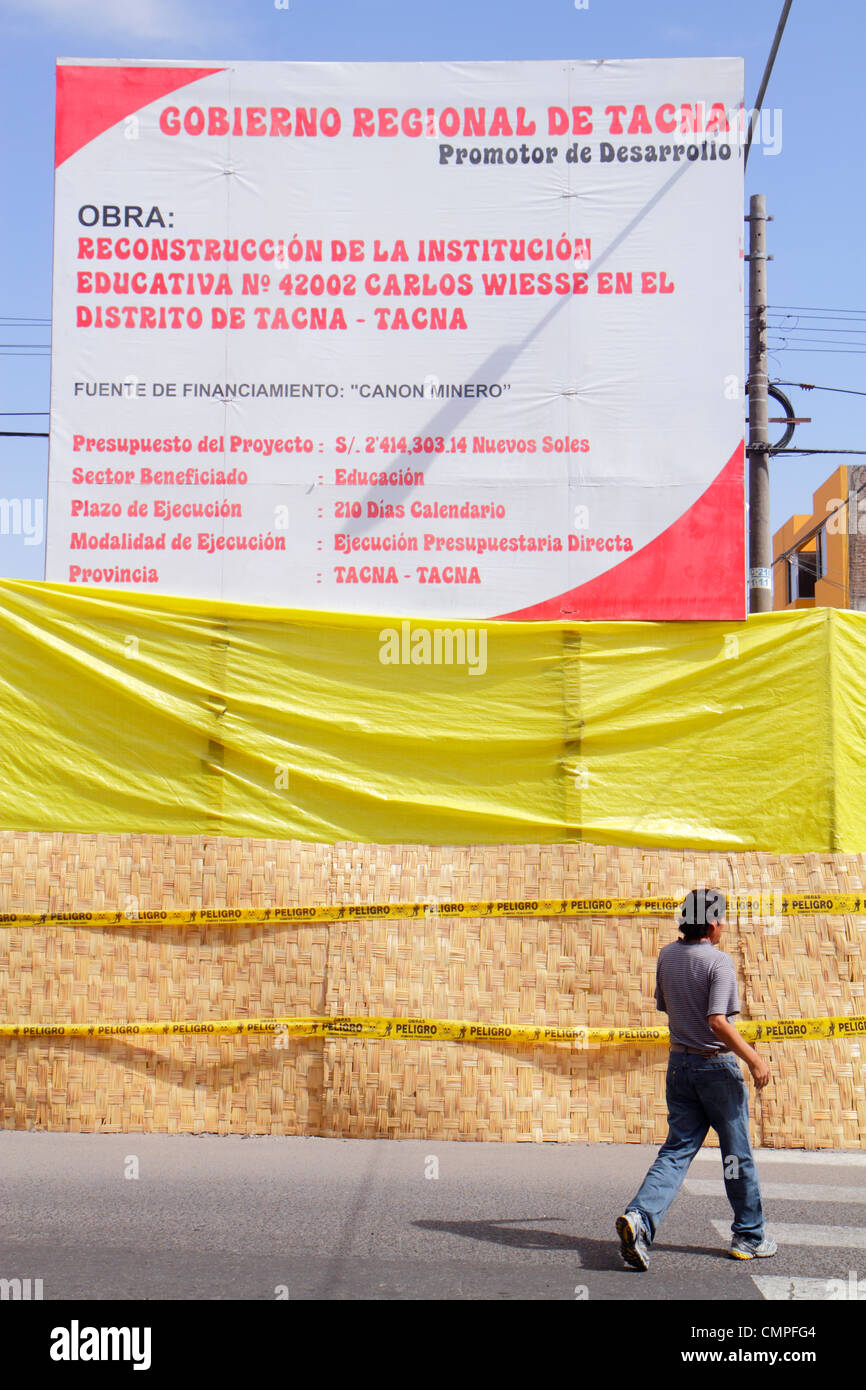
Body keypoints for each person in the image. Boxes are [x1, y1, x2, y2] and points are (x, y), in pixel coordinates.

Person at [615, 887, 776, 1271]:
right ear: (712, 922)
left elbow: (667, 1005)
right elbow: (717, 1021)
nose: (724, 926)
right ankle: (748, 1236)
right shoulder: (719, 962)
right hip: (716, 1070)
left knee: (676, 1152)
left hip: (680, 1067)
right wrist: (754, 1059)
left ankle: (639, 1219)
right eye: (722, 919)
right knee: (735, 1155)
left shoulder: (667, 956)